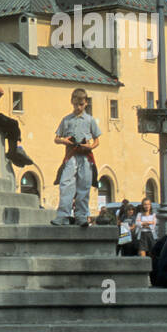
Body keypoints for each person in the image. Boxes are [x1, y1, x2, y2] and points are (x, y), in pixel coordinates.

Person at [51, 87, 100, 227]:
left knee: (84, 185)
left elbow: (97, 140)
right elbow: (56, 138)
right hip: (71, 154)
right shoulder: (66, 120)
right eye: (76, 104)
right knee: (66, 183)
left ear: (86, 104)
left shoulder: (90, 120)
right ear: (72, 102)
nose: (78, 107)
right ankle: (63, 215)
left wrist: (91, 146)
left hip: (85, 156)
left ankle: (81, 215)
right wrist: (64, 141)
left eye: (81, 104)